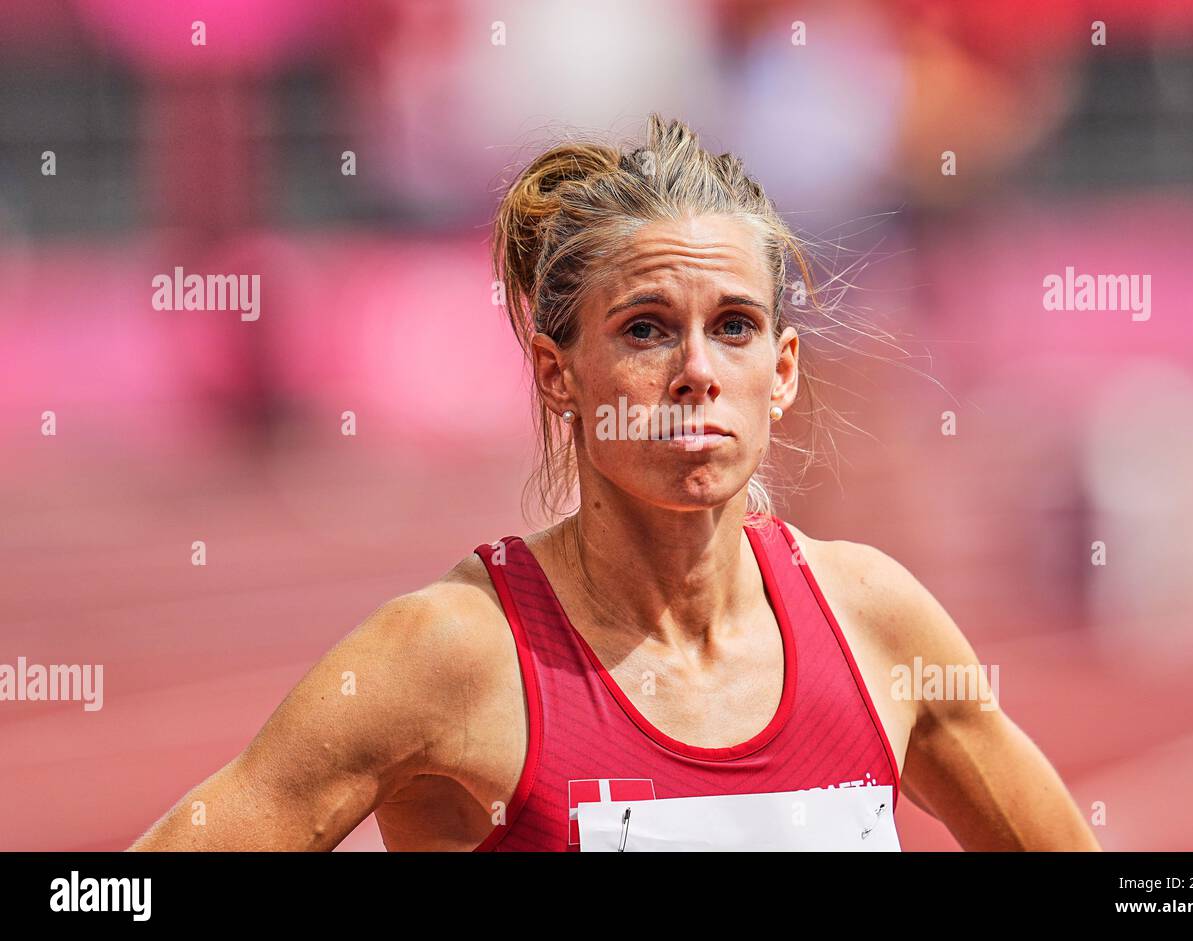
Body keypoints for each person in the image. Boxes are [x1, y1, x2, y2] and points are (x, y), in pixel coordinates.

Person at [129, 114, 1100, 852]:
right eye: (643, 327)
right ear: (558, 373)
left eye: (734, 326)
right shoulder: (452, 655)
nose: (695, 369)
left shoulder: (877, 623)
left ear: (786, 368)